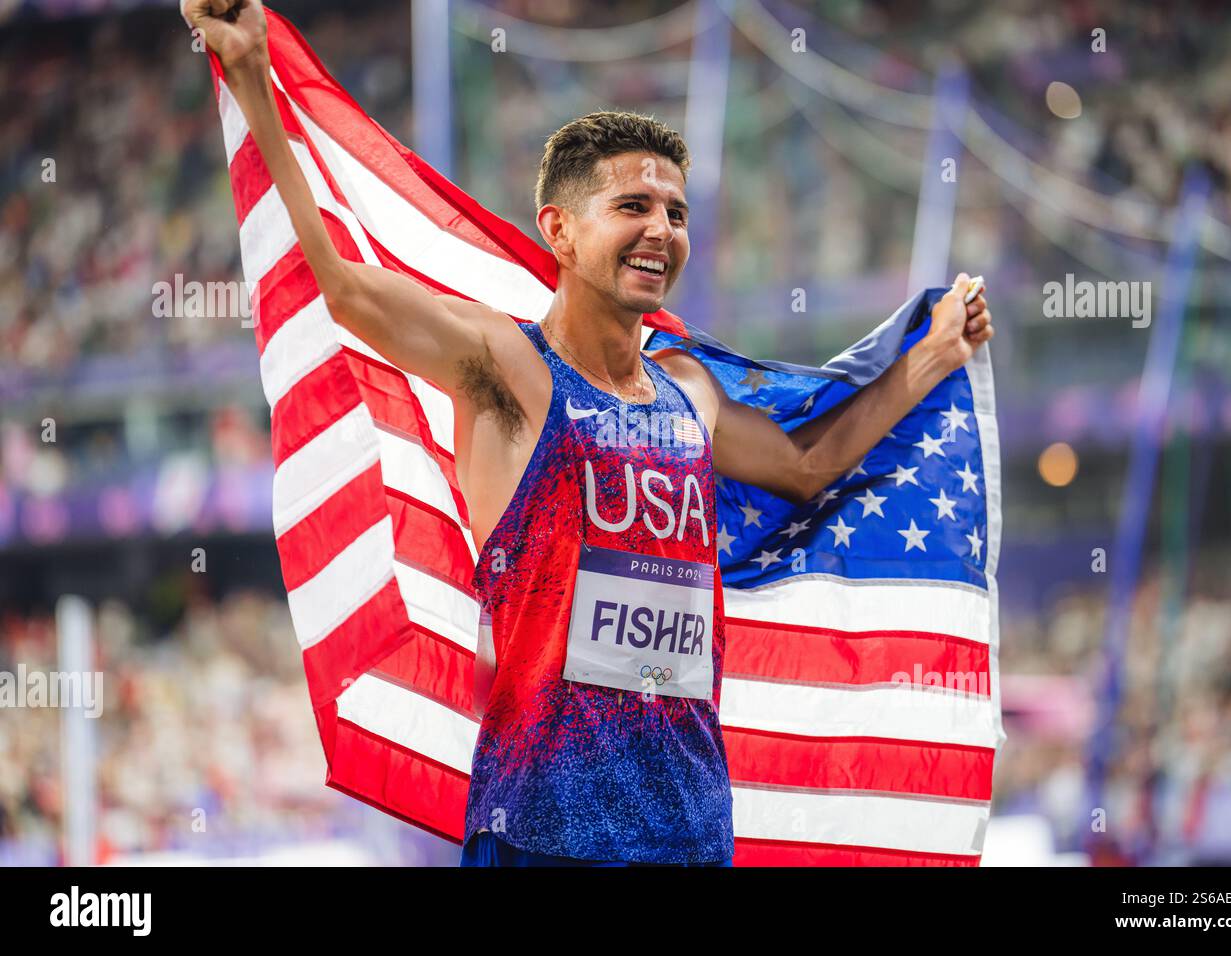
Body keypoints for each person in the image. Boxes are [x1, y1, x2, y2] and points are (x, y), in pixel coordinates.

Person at [181, 0, 994, 867]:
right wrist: (252, 75)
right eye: (633, 206)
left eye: (677, 214)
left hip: (691, 830)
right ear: (559, 231)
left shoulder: (689, 389)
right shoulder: (507, 369)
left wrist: (935, 355)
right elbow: (344, 288)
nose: (662, 231)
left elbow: (807, 466)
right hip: (545, 831)